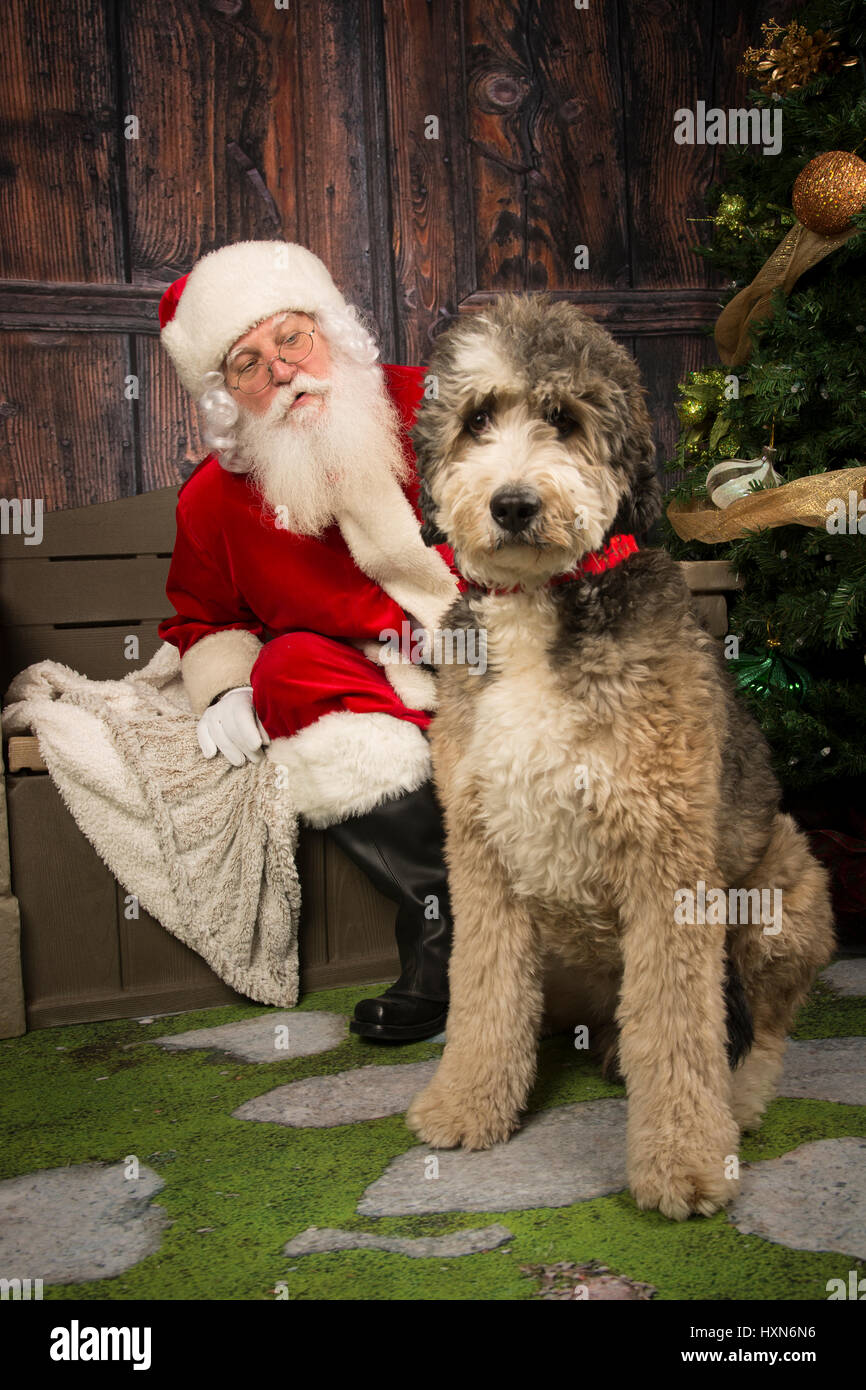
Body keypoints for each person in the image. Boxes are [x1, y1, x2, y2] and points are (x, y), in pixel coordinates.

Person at [157, 239, 461, 1043]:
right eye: (247, 364)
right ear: (225, 397)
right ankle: (447, 935)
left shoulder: (436, 405)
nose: (282, 370)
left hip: (497, 636)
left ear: (330, 332)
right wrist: (225, 686)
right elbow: (204, 614)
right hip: (373, 678)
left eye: (291, 338)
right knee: (283, 667)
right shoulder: (213, 503)